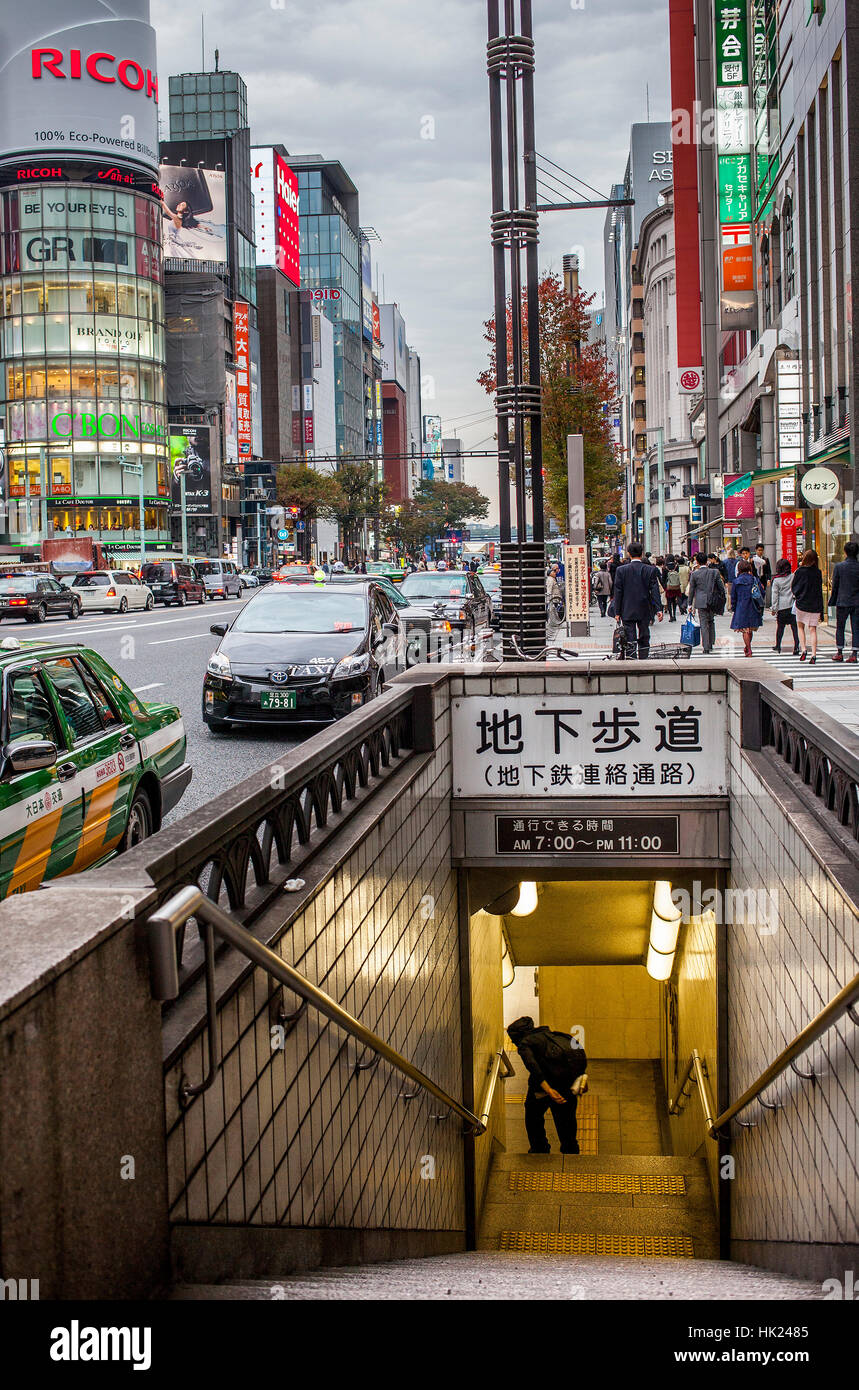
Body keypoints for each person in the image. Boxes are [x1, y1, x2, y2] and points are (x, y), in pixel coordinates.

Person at [506, 1016, 588, 1155]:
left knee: (533, 1116)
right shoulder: (558, 1036)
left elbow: (532, 1066)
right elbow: (578, 1055)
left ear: (517, 1037)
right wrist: (582, 1078)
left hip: (543, 1088)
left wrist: (549, 1090)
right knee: (566, 1121)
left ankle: (540, 1148)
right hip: (567, 1086)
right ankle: (570, 1151)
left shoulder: (524, 1043)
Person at [611, 541, 663, 658]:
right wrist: (659, 609)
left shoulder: (621, 570)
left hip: (627, 607)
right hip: (645, 607)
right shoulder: (650, 570)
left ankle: (631, 657)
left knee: (630, 635)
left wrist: (617, 612)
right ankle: (644, 656)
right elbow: (655, 591)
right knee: (644, 632)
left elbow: (618, 592)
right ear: (642, 553)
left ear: (629, 553)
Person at [687, 553, 727, 654]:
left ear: (697, 562)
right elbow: (721, 588)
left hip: (700, 601)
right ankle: (711, 642)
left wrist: (690, 604)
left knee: (703, 623)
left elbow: (691, 590)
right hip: (712, 600)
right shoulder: (715, 572)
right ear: (707, 561)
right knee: (711, 621)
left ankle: (706, 646)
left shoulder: (695, 574)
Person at [791, 549, 825, 664]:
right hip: (815, 604)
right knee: (813, 629)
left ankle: (804, 649)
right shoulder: (818, 572)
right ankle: (814, 655)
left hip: (801, 603)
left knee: (800, 627)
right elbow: (819, 591)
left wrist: (798, 596)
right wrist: (821, 609)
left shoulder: (799, 571)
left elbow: (794, 587)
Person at [829, 540, 859, 663]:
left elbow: (835, 585)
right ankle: (854, 654)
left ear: (845, 552)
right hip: (857, 602)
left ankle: (840, 652)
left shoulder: (839, 567)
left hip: (843, 601)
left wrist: (832, 601)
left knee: (840, 627)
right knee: (856, 627)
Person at [731, 558, 764, 657]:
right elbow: (761, 592)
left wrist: (733, 607)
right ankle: (748, 646)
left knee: (745, 629)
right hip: (753, 606)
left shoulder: (736, 581)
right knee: (750, 629)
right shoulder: (754, 579)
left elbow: (733, 596)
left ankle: (748, 648)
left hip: (741, 607)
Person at [770, 558, 799, 655]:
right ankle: (796, 646)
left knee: (780, 628)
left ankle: (778, 645)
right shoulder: (793, 576)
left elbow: (775, 595)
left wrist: (774, 608)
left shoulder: (776, 580)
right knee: (794, 628)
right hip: (792, 606)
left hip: (782, 607)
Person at [664, 555, 682, 622]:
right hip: (676, 586)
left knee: (669, 601)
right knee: (674, 601)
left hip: (669, 587)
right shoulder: (676, 566)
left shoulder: (665, 567)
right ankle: (674, 615)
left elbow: (663, 578)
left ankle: (671, 616)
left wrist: (664, 587)